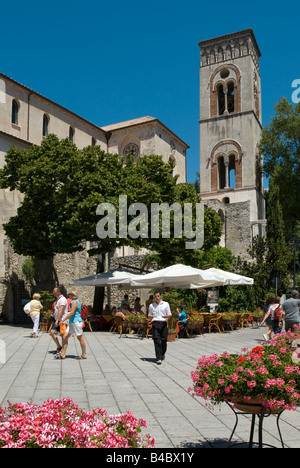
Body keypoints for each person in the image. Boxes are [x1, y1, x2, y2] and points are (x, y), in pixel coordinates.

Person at [58, 290, 87, 360]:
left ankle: (84, 354)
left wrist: (62, 320)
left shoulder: (75, 302)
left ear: (73, 295)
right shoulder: (73, 301)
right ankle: (63, 353)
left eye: (70, 294)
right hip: (72, 322)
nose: (69, 295)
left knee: (80, 338)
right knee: (65, 336)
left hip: (76, 322)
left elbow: (71, 313)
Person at [148, 290, 171, 365]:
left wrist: (166, 316)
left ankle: (162, 353)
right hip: (155, 323)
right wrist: (150, 316)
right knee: (157, 340)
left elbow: (169, 314)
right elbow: (149, 315)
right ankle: (158, 357)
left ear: (160, 296)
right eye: (155, 296)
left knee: (164, 340)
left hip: (163, 323)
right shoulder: (152, 305)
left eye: (158, 296)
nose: (157, 298)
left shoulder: (166, 304)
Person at [50, 287, 69, 355]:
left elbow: (60, 310)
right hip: (57, 319)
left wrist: (57, 320)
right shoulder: (58, 299)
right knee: (52, 332)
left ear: (59, 292)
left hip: (61, 320)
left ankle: (63, 351)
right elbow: (57, 310)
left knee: (63, 335)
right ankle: (59, 346)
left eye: (54, 291)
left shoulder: (63, 299)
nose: (53, 292)